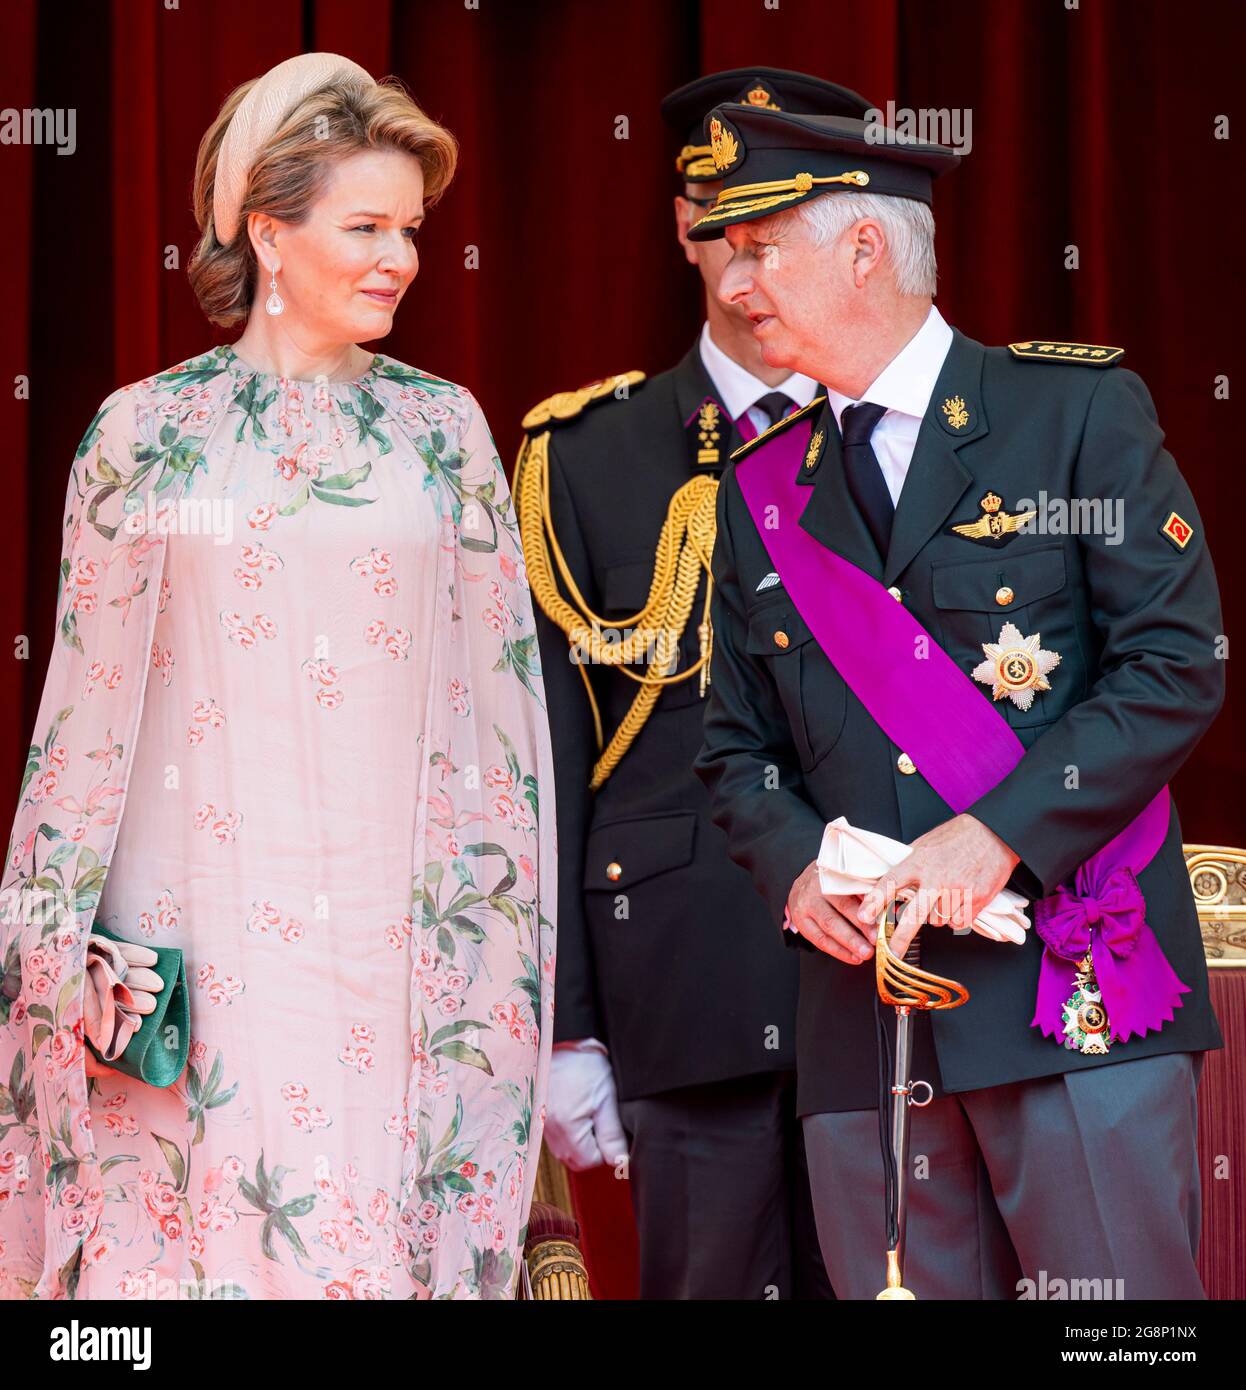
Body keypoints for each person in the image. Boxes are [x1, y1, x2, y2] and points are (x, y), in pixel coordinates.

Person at [0, 53, 555, 1301]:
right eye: (364, 225)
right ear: (267, 230)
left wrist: (494, 944)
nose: (400, 257)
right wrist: (62, 947)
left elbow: (499, 721)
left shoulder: (445, 429)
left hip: (401, 927)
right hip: (197, 925)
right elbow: (81, 726)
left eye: (409, 228)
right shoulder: (144, 433)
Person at [689, 101, 1224, 1299]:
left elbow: (1176, 660)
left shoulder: (1071, 415)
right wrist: (789, 867)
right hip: (866, 1019)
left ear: (863, 250)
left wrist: (1000, 832)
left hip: (1071, 996)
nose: (734, 282)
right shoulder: (758, 487)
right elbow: (733, 749)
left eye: (759, 248)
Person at [516, 69, 871, 1300]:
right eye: (718, 225)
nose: (740, 266)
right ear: (679, 224)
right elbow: (551, 752)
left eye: (775, 229)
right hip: (676, 976)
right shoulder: (583, 453)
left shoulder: (935, 433)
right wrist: (562, 1022)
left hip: (905, 970)